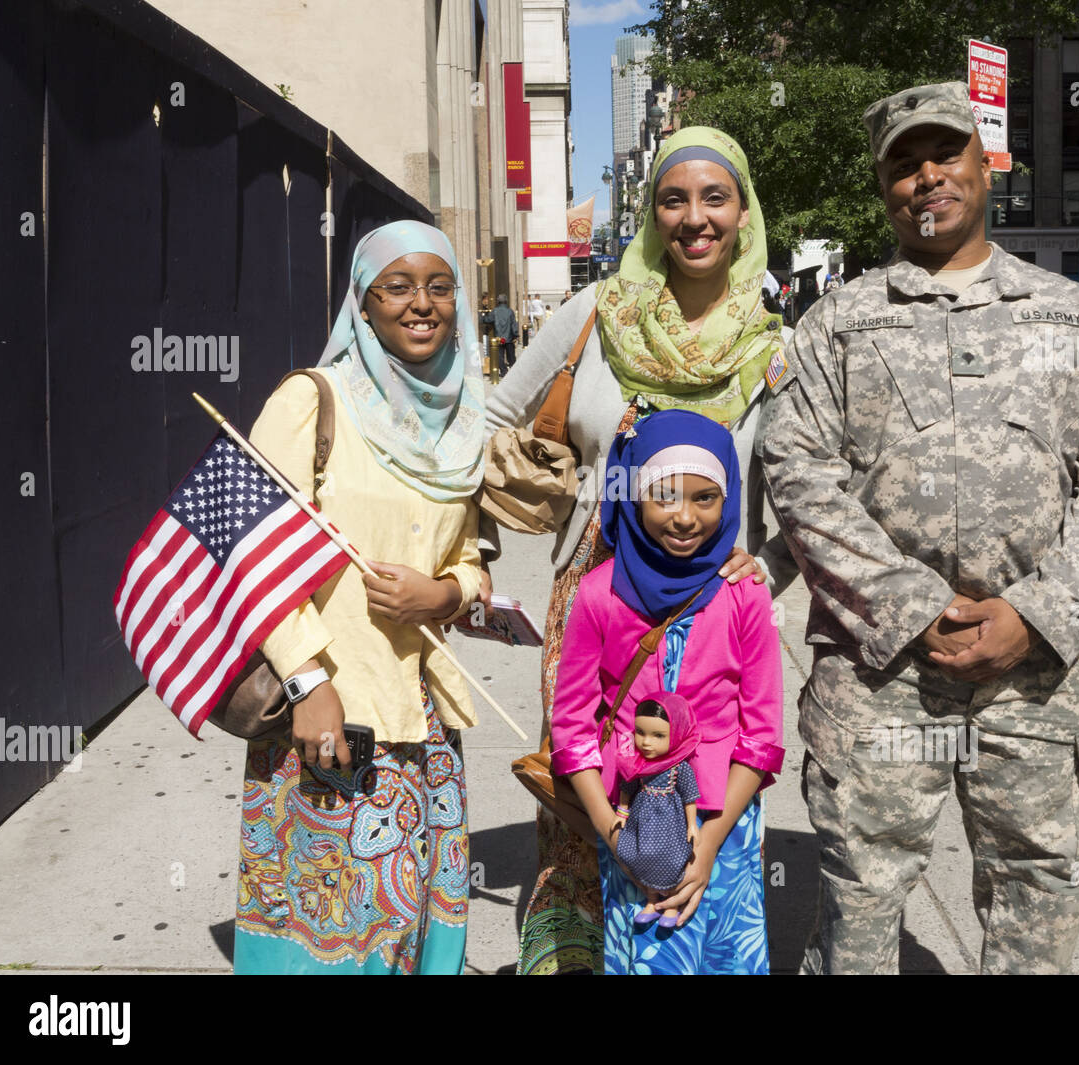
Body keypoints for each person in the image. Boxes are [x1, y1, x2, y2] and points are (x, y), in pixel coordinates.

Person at [759, 82, 1079, 974]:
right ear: (883, 188)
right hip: (883, 674)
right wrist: (908, 606)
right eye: (904, 164)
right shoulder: (839, 325)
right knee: (861, 896)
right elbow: (797, 471)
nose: (927, 176)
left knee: (1037, 897)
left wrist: (1037, 613)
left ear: (986, 164)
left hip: (1036, 682)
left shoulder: (1071, 318)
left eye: (945, 153)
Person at [485, 125, 799, 975]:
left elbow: (815, 479)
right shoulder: (597, 314)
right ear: (652, 213)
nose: (695, 218)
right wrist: (472, 550)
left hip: (711, 614)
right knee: (580, 797)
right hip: (593, 597)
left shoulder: (772, 348)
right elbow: (491, 416)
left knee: (696, 787)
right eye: (673, 198)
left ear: (744, 212)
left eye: (715, 197)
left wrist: (770, 565)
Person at [237, 220, 486, 974]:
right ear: (362, 302)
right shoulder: (311, 401)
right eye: (397, 287)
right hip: (332, 716)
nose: (421, 304)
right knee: (333, 929)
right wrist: (307, 682)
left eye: (438, 286)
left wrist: (442, 593)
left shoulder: (461, 419)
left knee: (416, 925)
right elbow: (254, 555)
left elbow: (468, 558)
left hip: (424, 726)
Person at [552, 411, 784, 975]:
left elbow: (762, 734)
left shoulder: (744, 593)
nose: (685, 517)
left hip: (724, 819)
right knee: (649, 954)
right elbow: (572, 727)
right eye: (664, 496)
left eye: (706, 498)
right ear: (633, 495)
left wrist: (709, 846)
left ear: (728, 499)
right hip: (634, 822)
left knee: (722, 954)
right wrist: (616, 837)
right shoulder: (599, 595)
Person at [613, 692, 700, 928]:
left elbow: (690, 798)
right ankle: (651, 902)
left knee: (672, 860)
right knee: (639, 855)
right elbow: (627, 787)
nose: (646, 742)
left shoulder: (679, 768)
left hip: (669, 824)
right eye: (640, 732)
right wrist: (622, 812)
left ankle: (671, 905)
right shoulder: (638, 764)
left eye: (658, 735)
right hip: (642, 821)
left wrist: (692, 825)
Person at [491, 293, 519, 376]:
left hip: (499, 337)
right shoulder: (510, 311)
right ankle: (514, 372)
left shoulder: (495, 311)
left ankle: (504, 371)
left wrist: (481, 318)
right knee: (511, 356)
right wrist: (515, 335)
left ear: (498, 301)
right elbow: (514, 324)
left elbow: (488, 319)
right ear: (506, 301)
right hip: (509, 337)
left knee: (500, 356)